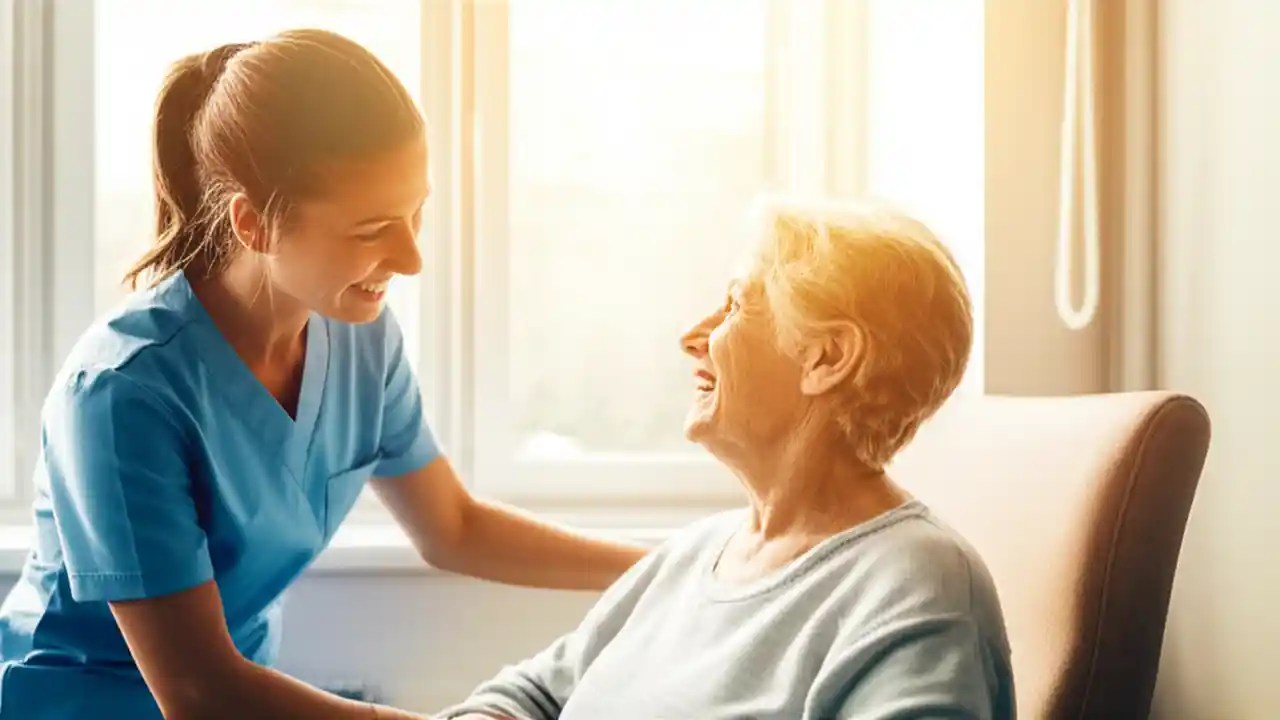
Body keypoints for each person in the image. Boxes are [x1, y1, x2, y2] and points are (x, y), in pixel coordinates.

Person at [0, 30, 646, 720]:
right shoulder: (120, 393)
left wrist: (661, 568)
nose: (411, 258)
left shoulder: (360, 337)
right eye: (372, 231)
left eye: (416, 214)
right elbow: (198, 691)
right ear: (253, 224)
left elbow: (453, 527)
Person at [439, 199, 1015, 720]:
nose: (692, 336)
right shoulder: (694, 554)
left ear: (827, 356)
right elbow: (529, 697)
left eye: (735, 304)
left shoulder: (919, 585)